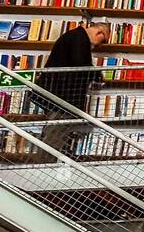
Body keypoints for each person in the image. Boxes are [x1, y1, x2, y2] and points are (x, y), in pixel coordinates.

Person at [30, 22, 110, 160]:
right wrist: (97, 76)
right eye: (100, 42)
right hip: (61, 98)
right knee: (55, 138)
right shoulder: (80, 38)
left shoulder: (74, 36)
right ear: (99, 33)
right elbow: (81, 64)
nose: (96, 46)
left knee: (54, 135)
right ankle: (43, 168)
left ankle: (45, 165)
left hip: (57, 95)